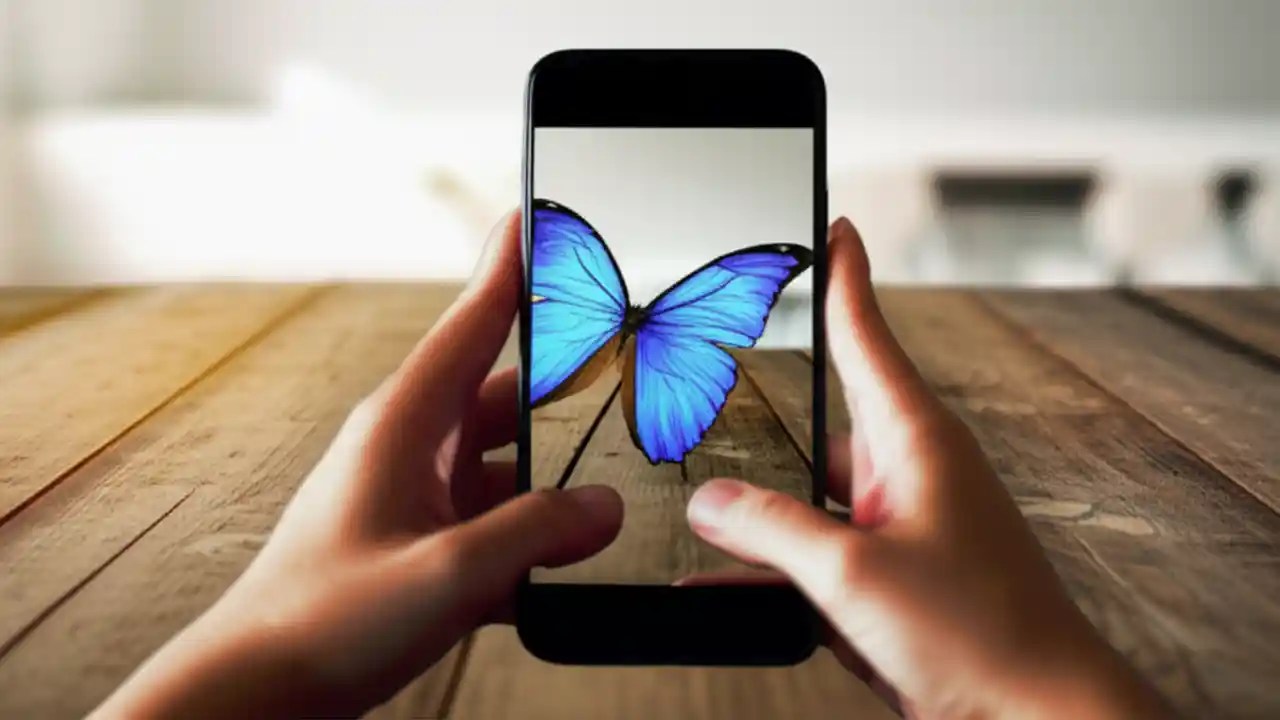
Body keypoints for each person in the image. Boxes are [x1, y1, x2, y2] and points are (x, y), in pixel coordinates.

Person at [94, 212, 1172, 719]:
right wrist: (1018, 691)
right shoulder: (666, 318)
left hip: (623, 354)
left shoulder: (608, 302)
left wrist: (269, 655)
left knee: (608, 410)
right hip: (656, 359)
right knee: (625, 409)